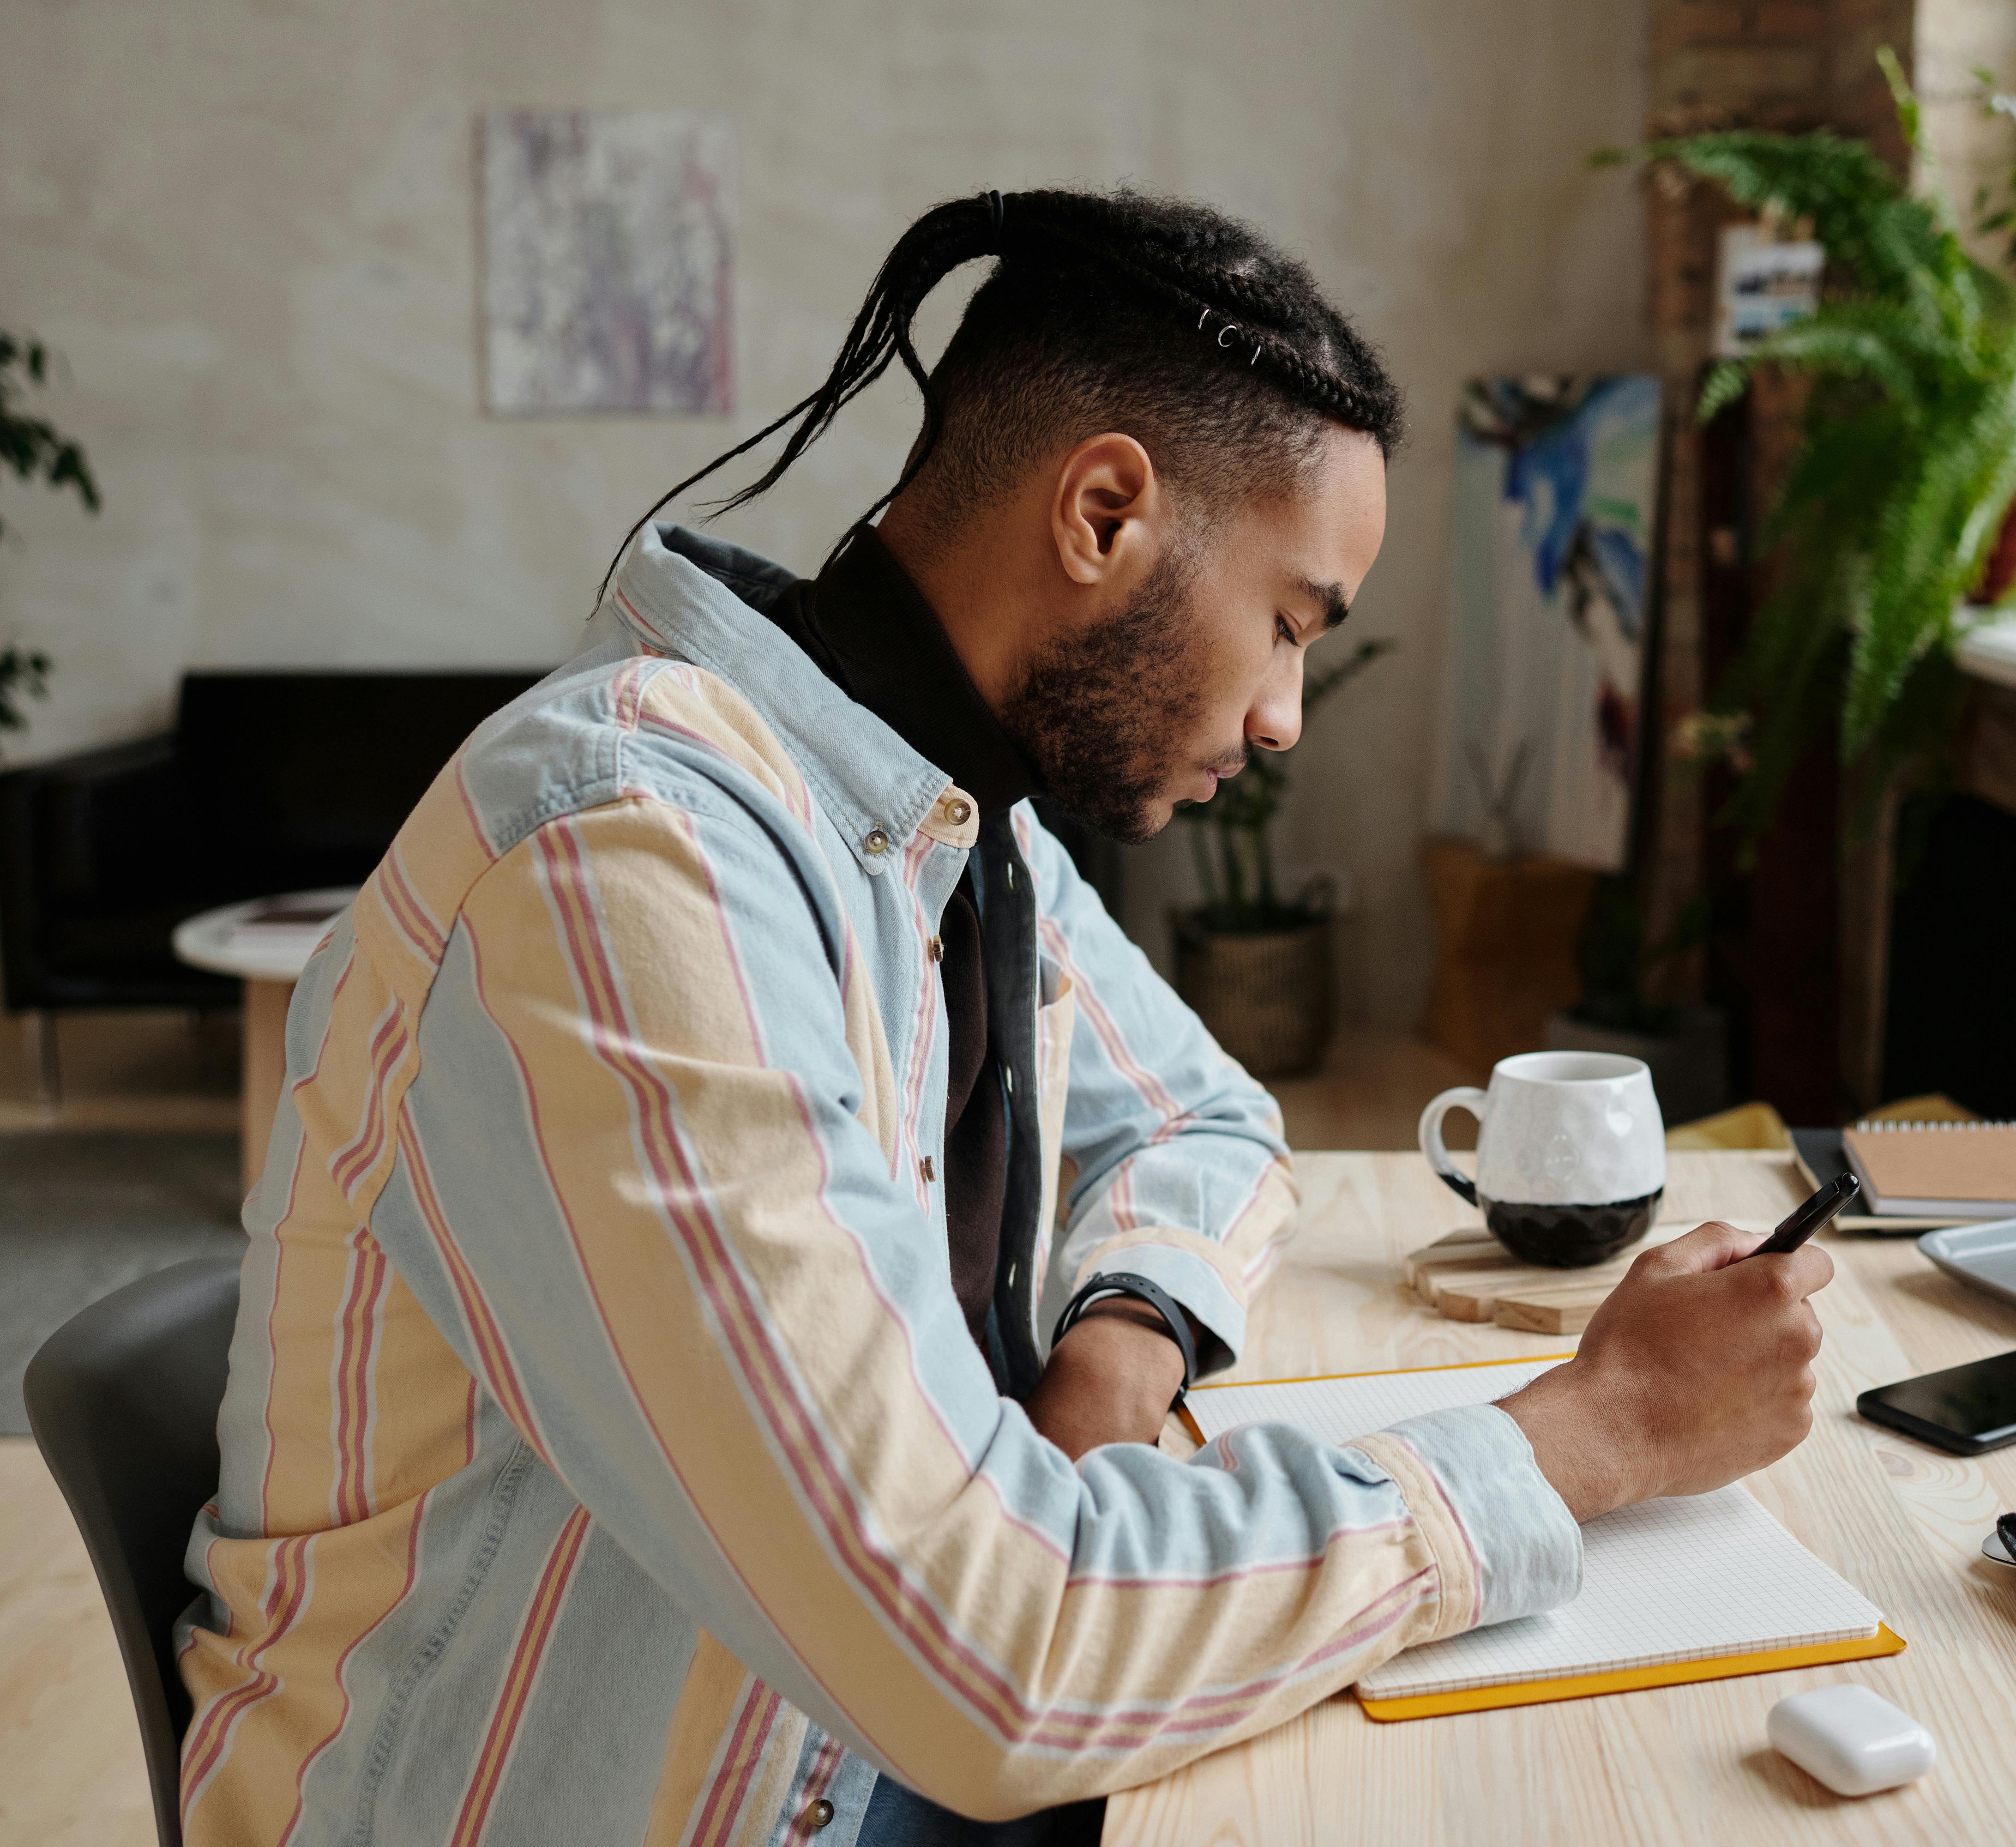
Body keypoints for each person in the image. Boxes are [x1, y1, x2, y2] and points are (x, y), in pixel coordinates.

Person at [178, 188, 1834, 1847]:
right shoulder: (625, 860)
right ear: (1106, 510)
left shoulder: (948, 820)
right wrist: (1591, 1435)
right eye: (1286, 624)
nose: (1282, 718)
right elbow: (992, 1662)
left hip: (850, 1749)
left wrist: (1117, 1354)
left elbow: (1204, 1117)